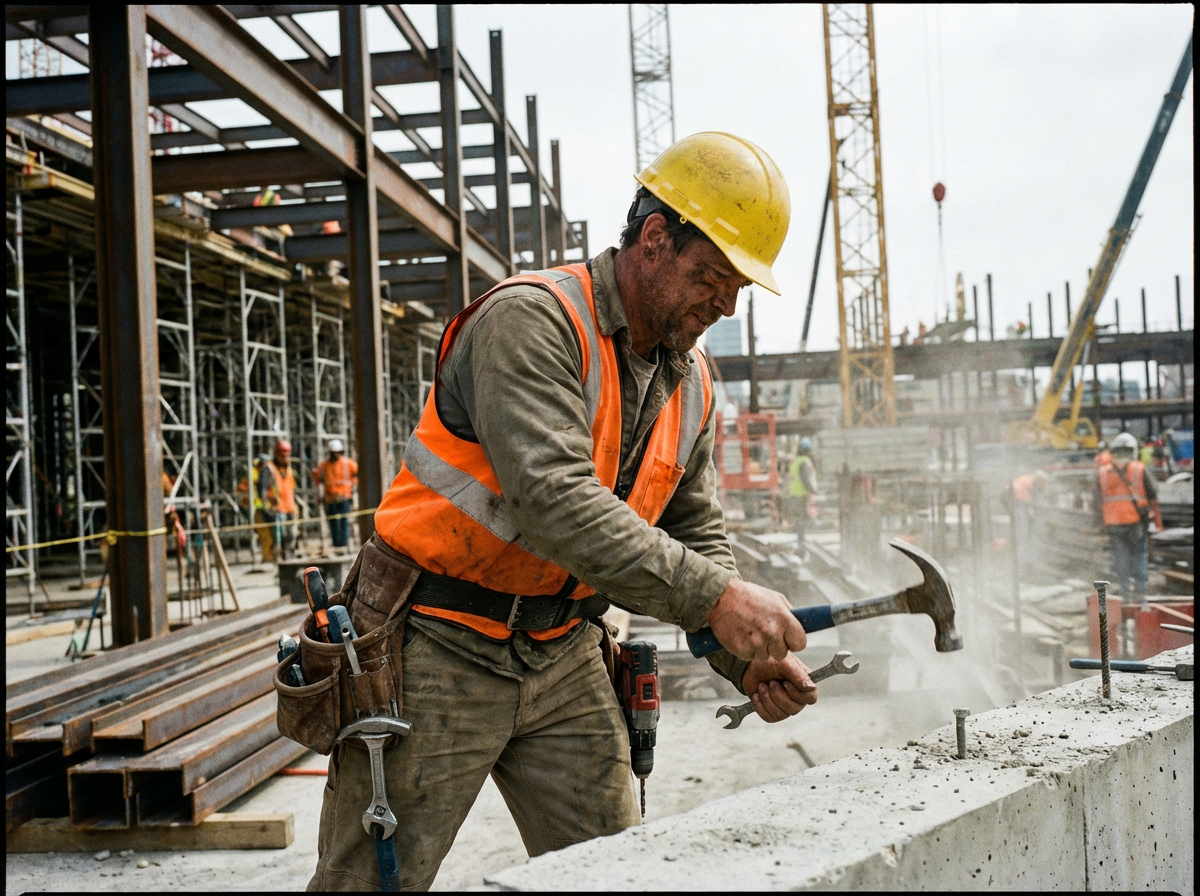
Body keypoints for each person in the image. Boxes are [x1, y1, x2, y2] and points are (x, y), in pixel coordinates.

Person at [306, 133, 819, 891]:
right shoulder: (532, 322)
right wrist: (716, 599)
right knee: (370, 883)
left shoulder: (693, 381)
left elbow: (696, 527)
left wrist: (742, 655)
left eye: (739, 286)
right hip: (437, 644)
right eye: (713, 277)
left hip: (563, 648)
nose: (726, 303)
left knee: (616, 873)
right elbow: (555, 504)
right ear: (653, 240)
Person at [1096, 431, 1163, 606]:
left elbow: (1096, 502)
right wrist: (1157, 523)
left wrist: (1099, 525)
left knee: (1121, 558)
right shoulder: (1139, 468)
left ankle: (1125, 595)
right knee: (1139, 556)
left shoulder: (1102, 472)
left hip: (1113, 524)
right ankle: (1140, 595)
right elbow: (1153, 495)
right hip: (1135, 523)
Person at [314, 438, 358, 550]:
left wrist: (352, 488)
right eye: (333, 453)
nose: (335, 455)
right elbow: (318, 479)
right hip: (330, 498)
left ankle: (344, 543)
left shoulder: (348, 463)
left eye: (337, 452)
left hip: (344, 497)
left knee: (344, 522)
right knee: (333, 522)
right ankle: (336, 544)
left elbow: (357, 475)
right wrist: (320, 496)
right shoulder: (324, 465)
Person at [260, 439, 297, 562]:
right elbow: (263, 491)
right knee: (278, 539)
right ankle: (280, 562)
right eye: (282, 455)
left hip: (289, 508)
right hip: (276, 511)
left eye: (287, 455)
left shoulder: (288, 468)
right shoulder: (268, 469)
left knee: (291, 537)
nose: (285, 458)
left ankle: (289, 559)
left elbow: (290, 489)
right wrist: (268, 505)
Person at [787, 438, 818, 543]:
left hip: (794, 494)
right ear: (807, 450)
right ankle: (802, 544)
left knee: (799, 520)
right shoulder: (804, 461)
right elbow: (805, 479)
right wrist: (813, 491)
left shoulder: (796, 461)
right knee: (803, 520)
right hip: (801, 495)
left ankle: (801, 542)